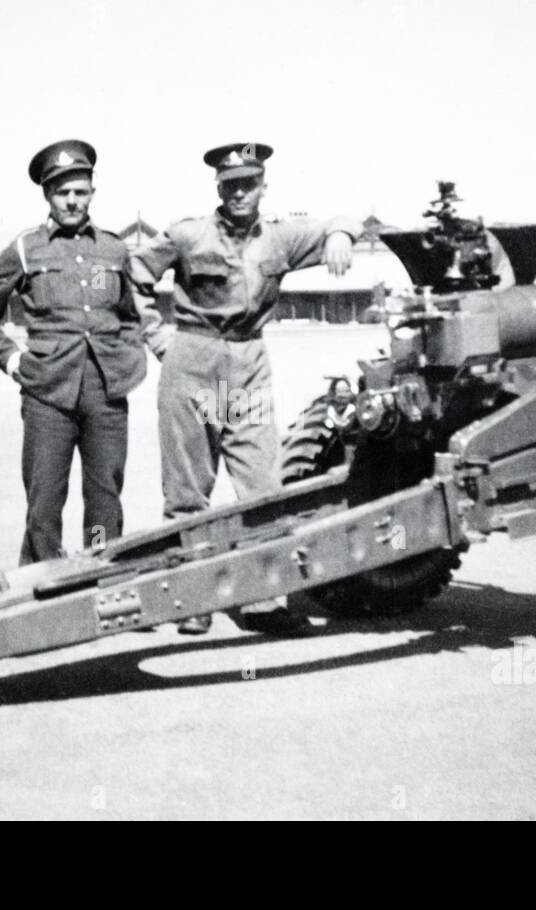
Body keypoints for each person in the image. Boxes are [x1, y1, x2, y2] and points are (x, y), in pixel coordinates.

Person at [129, 142, 361, 636]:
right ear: (218, 187)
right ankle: (191, 600)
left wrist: (340, 233)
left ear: (263, 186)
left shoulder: (279, 238)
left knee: (262, 484)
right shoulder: (188, 234)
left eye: (248, 183)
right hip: (192, 360)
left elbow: (342, 219)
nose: (239, 193)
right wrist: (156, 334)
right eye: (230, 185)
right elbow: (135, 276)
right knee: (188, 490)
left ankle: (263, 599)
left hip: (248, 362)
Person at [0, 139, 148, 565]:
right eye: (62, 192)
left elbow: (131, 314)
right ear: (47, 195)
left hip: (105, 393)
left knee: (104, 496)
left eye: (80, 192)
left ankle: (100, 574)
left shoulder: (114, 250)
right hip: (48, 393)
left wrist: (130, 358)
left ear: (92, 195)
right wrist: (12, 361)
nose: (71, 201)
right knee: (45, 498)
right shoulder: (26, 250)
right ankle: (40, 585)